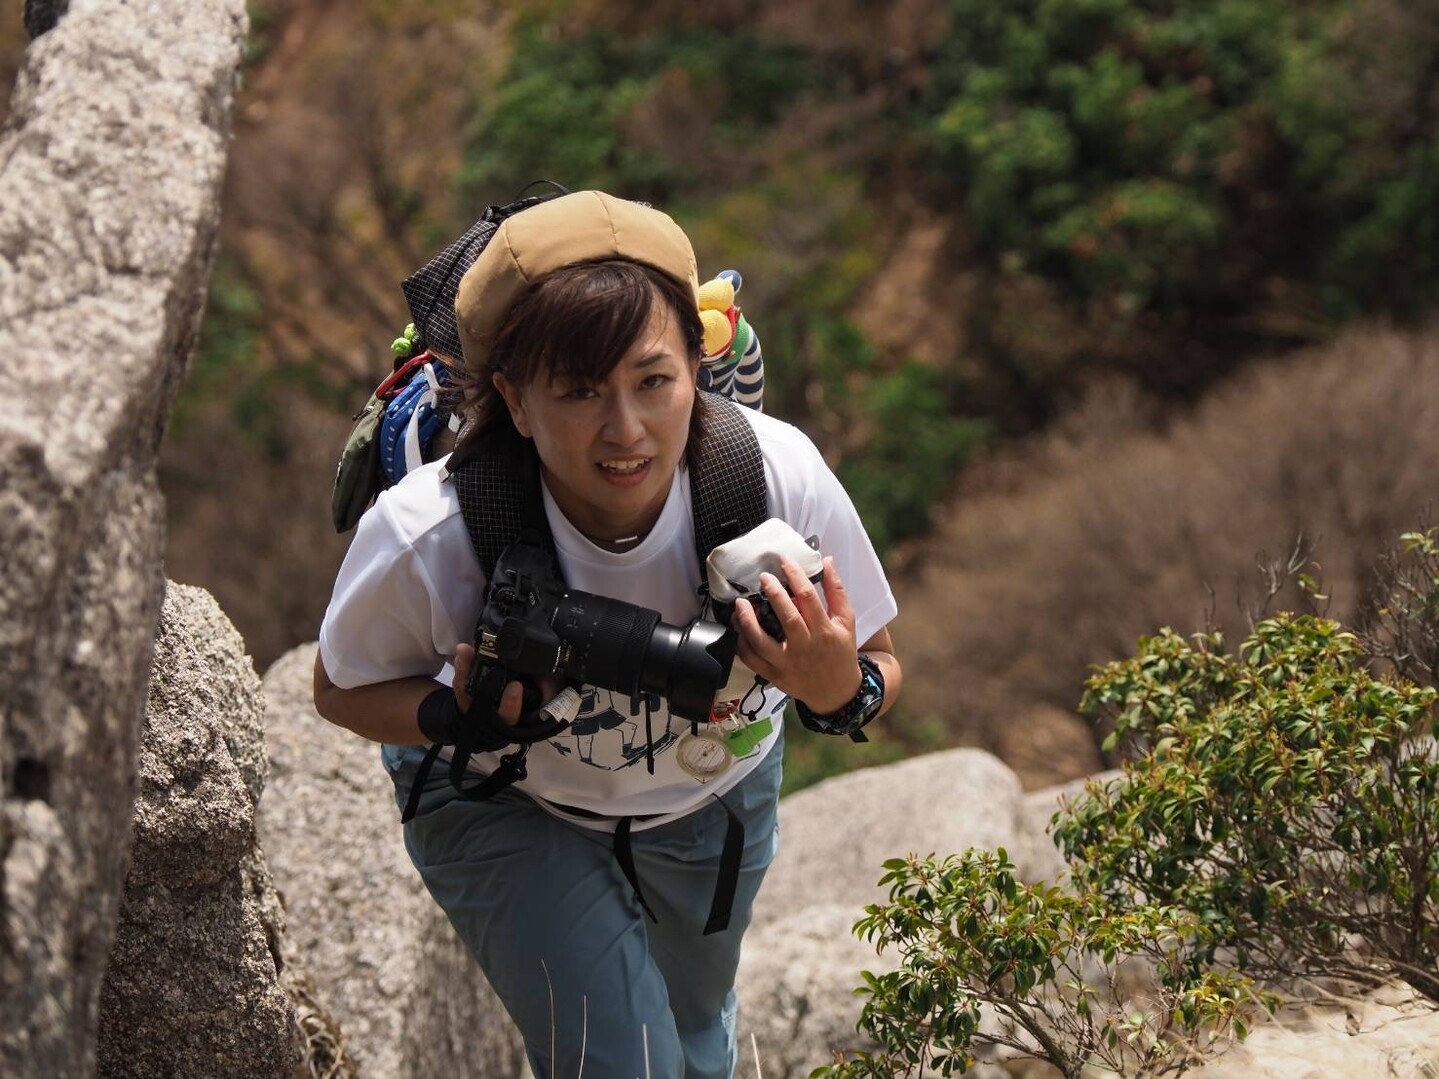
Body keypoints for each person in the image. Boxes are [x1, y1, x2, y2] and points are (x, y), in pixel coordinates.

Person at [312, 190, 902, 1079]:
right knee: (619, 1062)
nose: (624, 430)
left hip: (713, 799)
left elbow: (884, 664)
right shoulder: (434, 531)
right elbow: (337, 688)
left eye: (652, 381)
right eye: (579, 392)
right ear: (513, 398)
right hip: (504, 801)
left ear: (694, 371)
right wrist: (456, 717)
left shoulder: (772, 475)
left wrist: (836, 689)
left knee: (697, 1037)